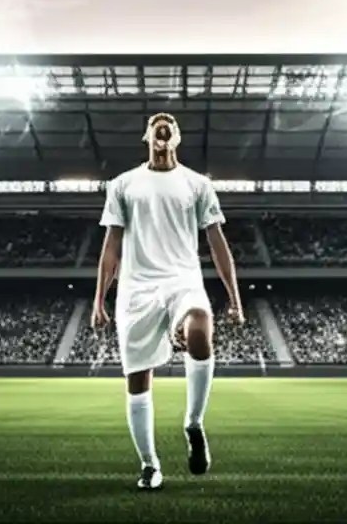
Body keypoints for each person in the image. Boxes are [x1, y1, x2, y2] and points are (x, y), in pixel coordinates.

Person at [92, 112, 244, 491]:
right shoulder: (123, 184)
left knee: (199, 326)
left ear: (176, 137)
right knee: (138, 381)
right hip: (136, 287)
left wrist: (235, 298)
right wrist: (99, 299)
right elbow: (111, 245)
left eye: (171, 124)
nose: (163, 125)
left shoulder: (197, 184)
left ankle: (193, 423)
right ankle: (150, 465)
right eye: (156, 123)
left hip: (182, 279)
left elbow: (217, 243)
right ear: (148, 135)